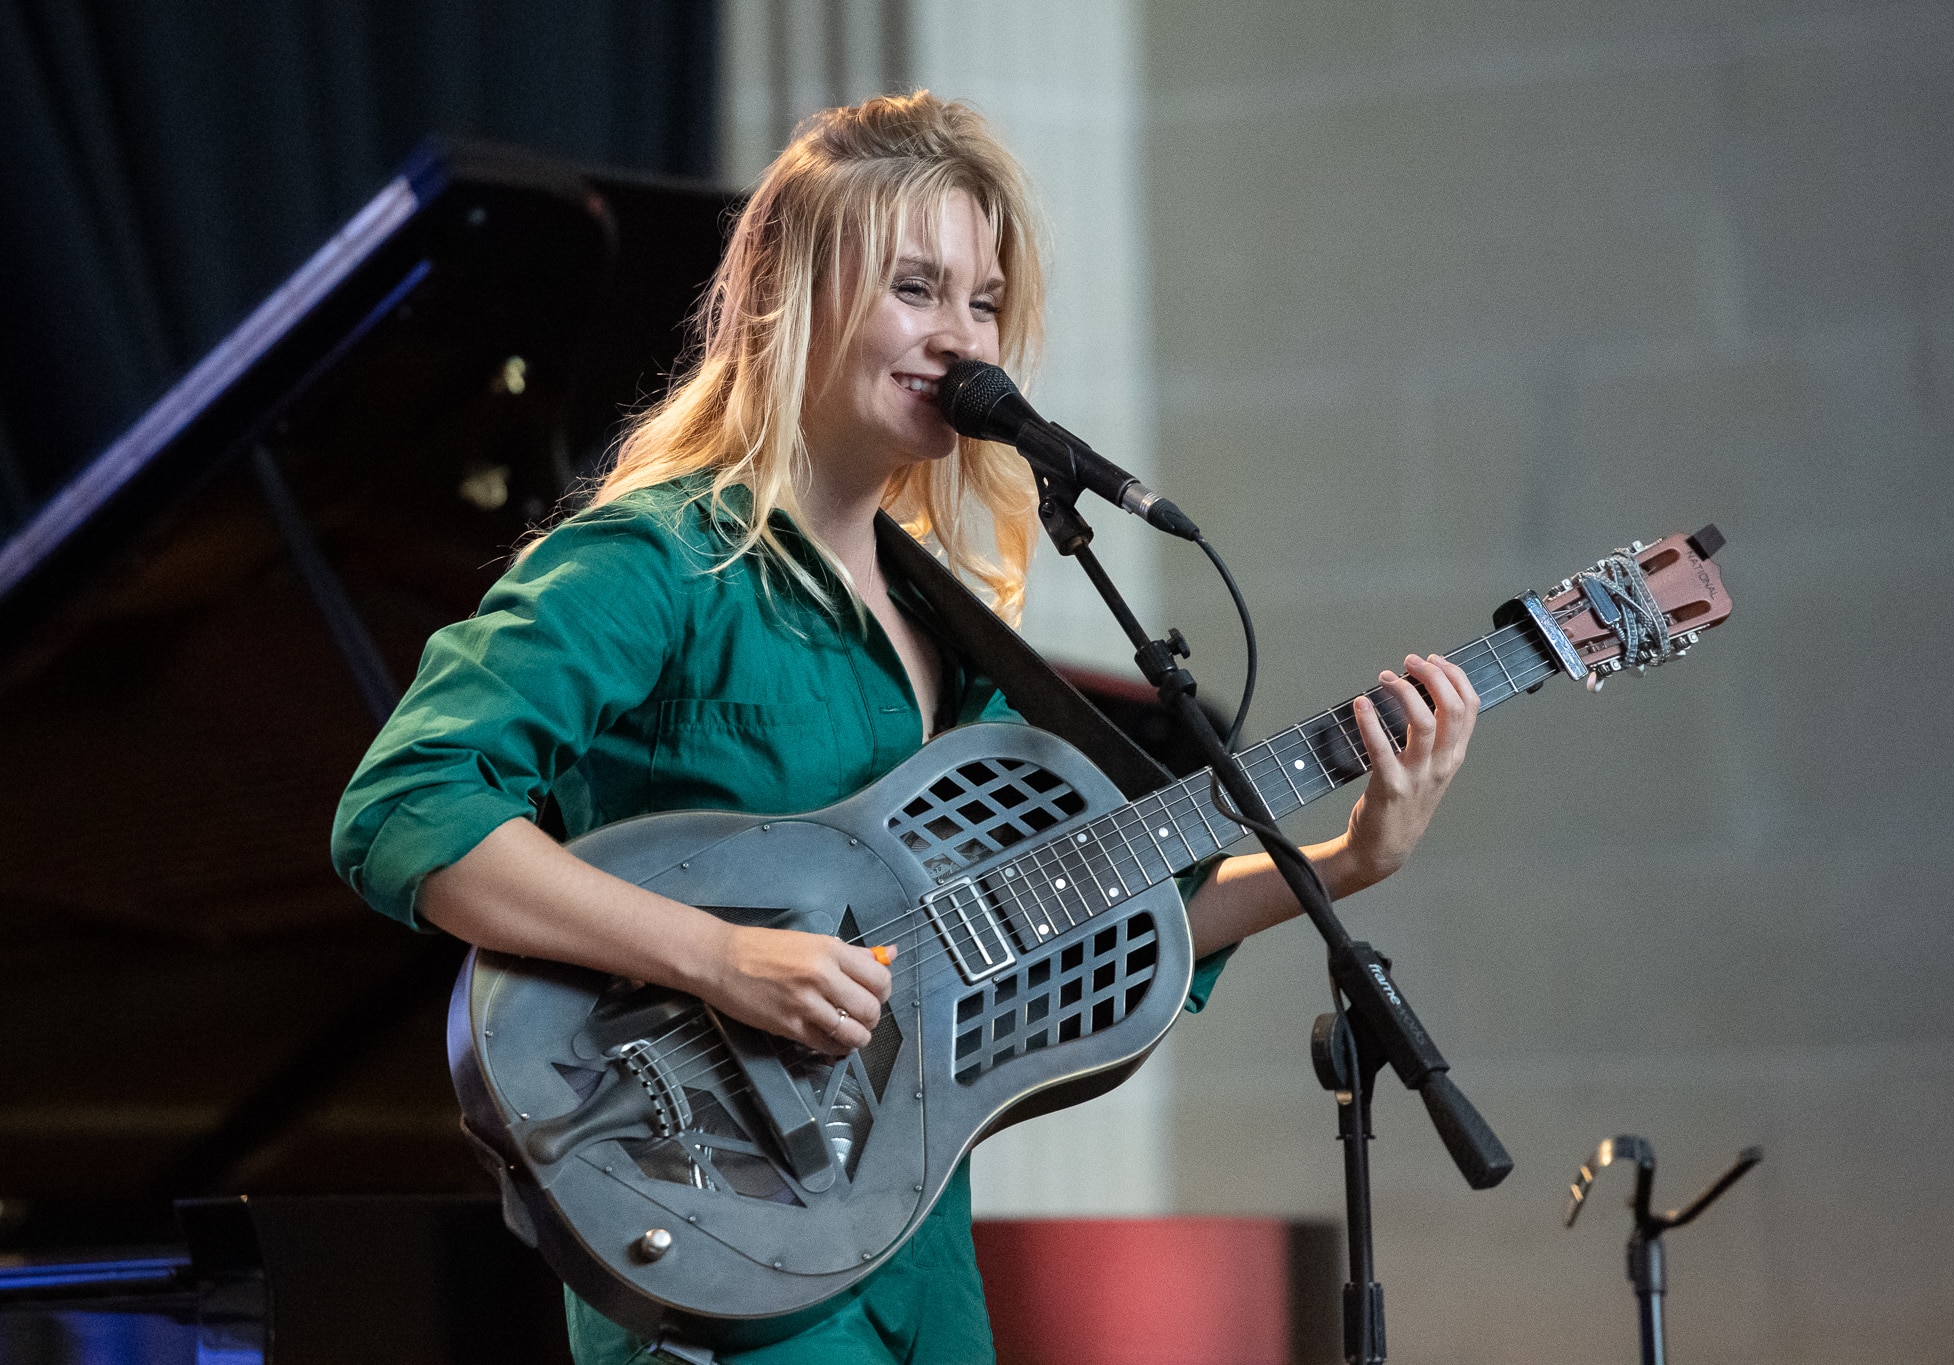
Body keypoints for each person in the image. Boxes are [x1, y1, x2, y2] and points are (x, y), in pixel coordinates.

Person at [331, 91, 1479, 1365]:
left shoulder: (944, 618)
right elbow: (407, 808)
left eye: (983, 303)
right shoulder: (651, 561)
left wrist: (1340, 866)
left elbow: (1069, 928)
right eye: (916, 288)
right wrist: (715, 958)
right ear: (793, 295)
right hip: (714, 1241)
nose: (962, 341)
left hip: (909, 1258)